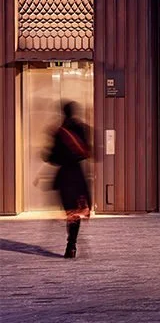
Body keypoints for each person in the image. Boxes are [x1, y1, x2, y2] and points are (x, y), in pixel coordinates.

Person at [45, 101, 92, 258]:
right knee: (76, 213)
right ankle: (71, 244)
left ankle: (70, 246)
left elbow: (53, 157)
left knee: (70, 211)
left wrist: (47, 154)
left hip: (64, 176)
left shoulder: (59, 132)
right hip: (78, 175)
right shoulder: (82, 129)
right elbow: (87, 151)